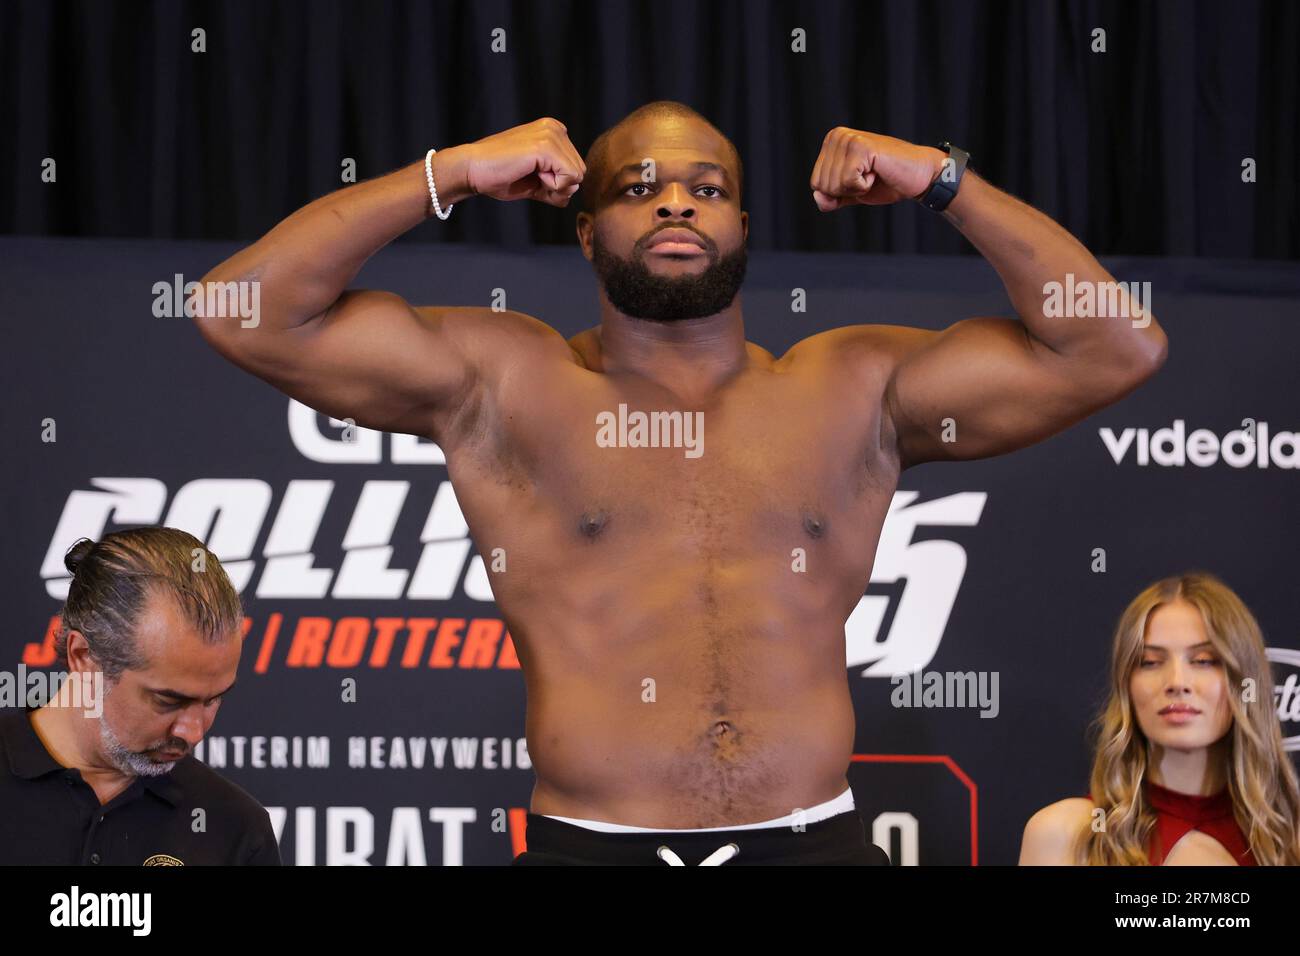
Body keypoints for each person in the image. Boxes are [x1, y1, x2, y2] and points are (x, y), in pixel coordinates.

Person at [190, 101, 1166, 865]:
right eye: (637, 187)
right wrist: (449, 174)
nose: (673, 202)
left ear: (741, 224)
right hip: (588, 851)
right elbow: (242, 310)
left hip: (810, 846)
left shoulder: (853, 387)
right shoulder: (504, 382)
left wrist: (943, 182)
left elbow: (1115, 346)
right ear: (583, 231)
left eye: (705, 187)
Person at [0, 527, 281, 865]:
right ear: (83, 657)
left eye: (212, 700)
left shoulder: (236, 830)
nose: (193, 732)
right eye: (168, 700)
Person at [1019, 572, 1300, 865]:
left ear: (1245, 682)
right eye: (1150, 662)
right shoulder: (1065, 835)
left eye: (1204, 661)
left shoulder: (1288, 841)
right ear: (1127, 684)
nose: (1177, 682)